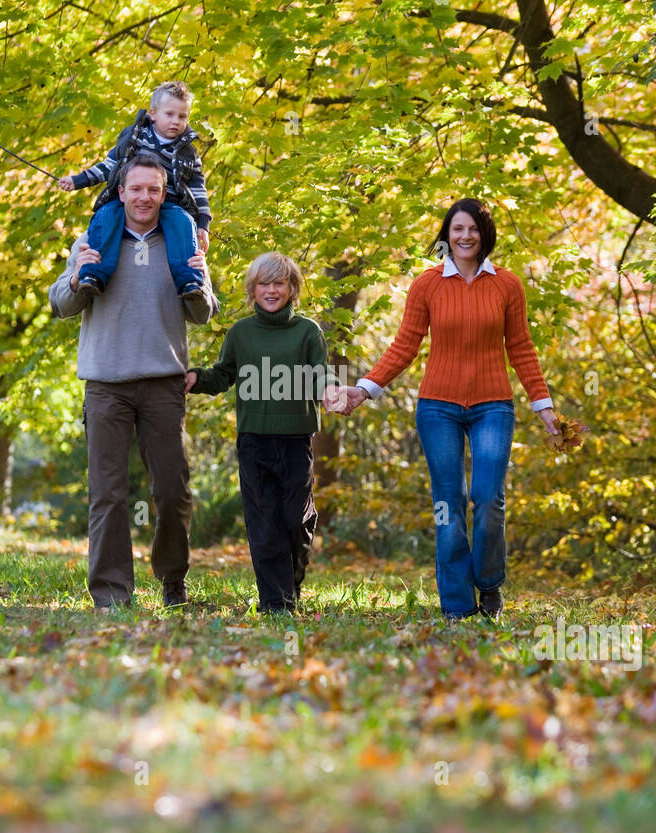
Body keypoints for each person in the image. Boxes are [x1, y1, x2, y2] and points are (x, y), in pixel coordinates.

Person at [331, 199, 560, 621]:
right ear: (447, 235)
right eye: (457, 229)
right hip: (438, 407)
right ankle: (457, 604)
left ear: (484, 234)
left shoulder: (507, 285)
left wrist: (542, 404)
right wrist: (365, 389)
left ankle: (488, 583)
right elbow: (405, 345)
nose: (465, 236)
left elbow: (521, 347)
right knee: (447, 504)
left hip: (494, 405)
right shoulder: (427, 285)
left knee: (488, 498)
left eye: (472, 229)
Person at [49, 153, 219, 612]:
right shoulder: (93, 237)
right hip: (106, 385)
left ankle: (171, 582)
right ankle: (111, 595)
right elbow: (61, 305)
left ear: (164, 195)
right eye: (136, 188)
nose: (145, 197)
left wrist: (202, 280)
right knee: (107, 493)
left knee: (172, 490)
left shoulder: (182, 241)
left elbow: (203, 314)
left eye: (154, 190)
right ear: (121, 191)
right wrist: (77, 274)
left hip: (164, 384)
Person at [185, 253, 330, 614]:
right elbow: (223, 375)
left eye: (279, 283)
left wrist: (329, 390)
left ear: (292, 289)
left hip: (296, 440)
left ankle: (291, 577)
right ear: (252, 290)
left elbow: (318, 374)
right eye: (263, 283)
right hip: (254, 441)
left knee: (294, 521)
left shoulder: (307, 332)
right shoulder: (241, 334)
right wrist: (196, 379)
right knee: (264, 524)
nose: (271, 290)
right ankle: (276, 604)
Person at [56, 80, 210, 297]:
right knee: (105, 216)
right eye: (170, 114)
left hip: (170, 204)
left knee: (184, 223)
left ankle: (189, 282)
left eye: (182, 116)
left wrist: (203, 223)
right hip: (126, 203)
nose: (176, 121)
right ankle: (93, 274)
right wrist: (78, 180)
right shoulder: (134, 138)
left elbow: (199, 189)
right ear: (153, 114)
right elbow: (109, 166)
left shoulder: (187, 152)